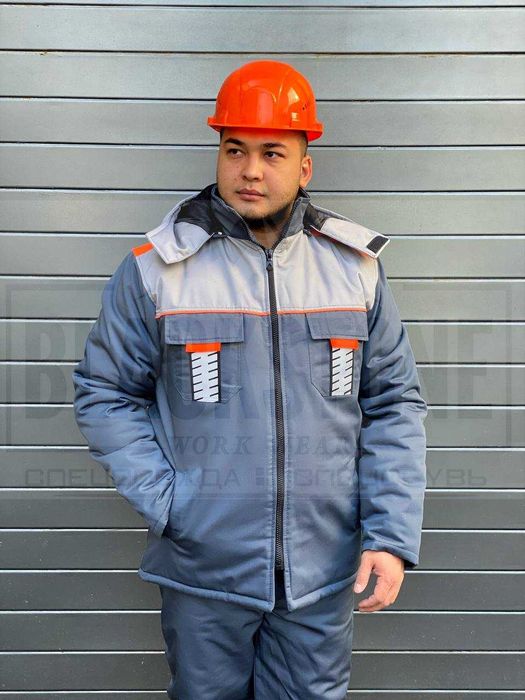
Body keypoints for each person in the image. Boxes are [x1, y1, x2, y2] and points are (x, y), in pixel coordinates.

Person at [73, 59, 428, 700]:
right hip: (203, 572)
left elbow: (394, 402)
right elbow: (105, 393)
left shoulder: (354, 271)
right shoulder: (158, 269)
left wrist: (390, 533)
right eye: (235, 150)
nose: (251, 170)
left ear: (305, 166)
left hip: (322, 573)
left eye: (272, 153)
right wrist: (173, 503)